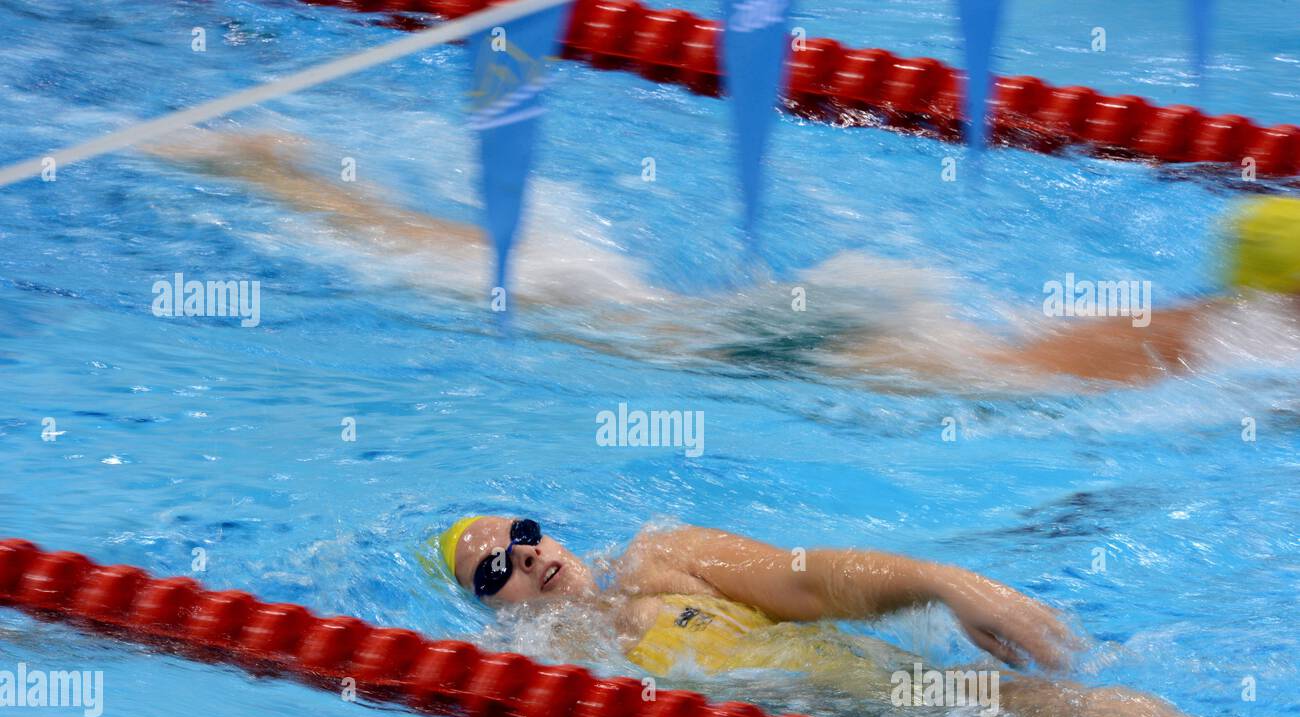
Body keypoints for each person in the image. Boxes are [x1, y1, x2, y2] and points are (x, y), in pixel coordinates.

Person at [141, 130, 1300, 389]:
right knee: (565, 305)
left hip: (908, 350)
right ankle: (276, 178)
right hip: (893, 376)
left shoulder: (1236, 316)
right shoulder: (1260, 339)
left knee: (573, 295)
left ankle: (285, 178)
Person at [430, 515, 1300, 717]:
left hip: (907, 705)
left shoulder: (662, 559)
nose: (528, 557)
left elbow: (810, 579)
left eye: (526, 532)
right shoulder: (547, 677)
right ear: (484, 610)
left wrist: (943, 580)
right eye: (494, 569)